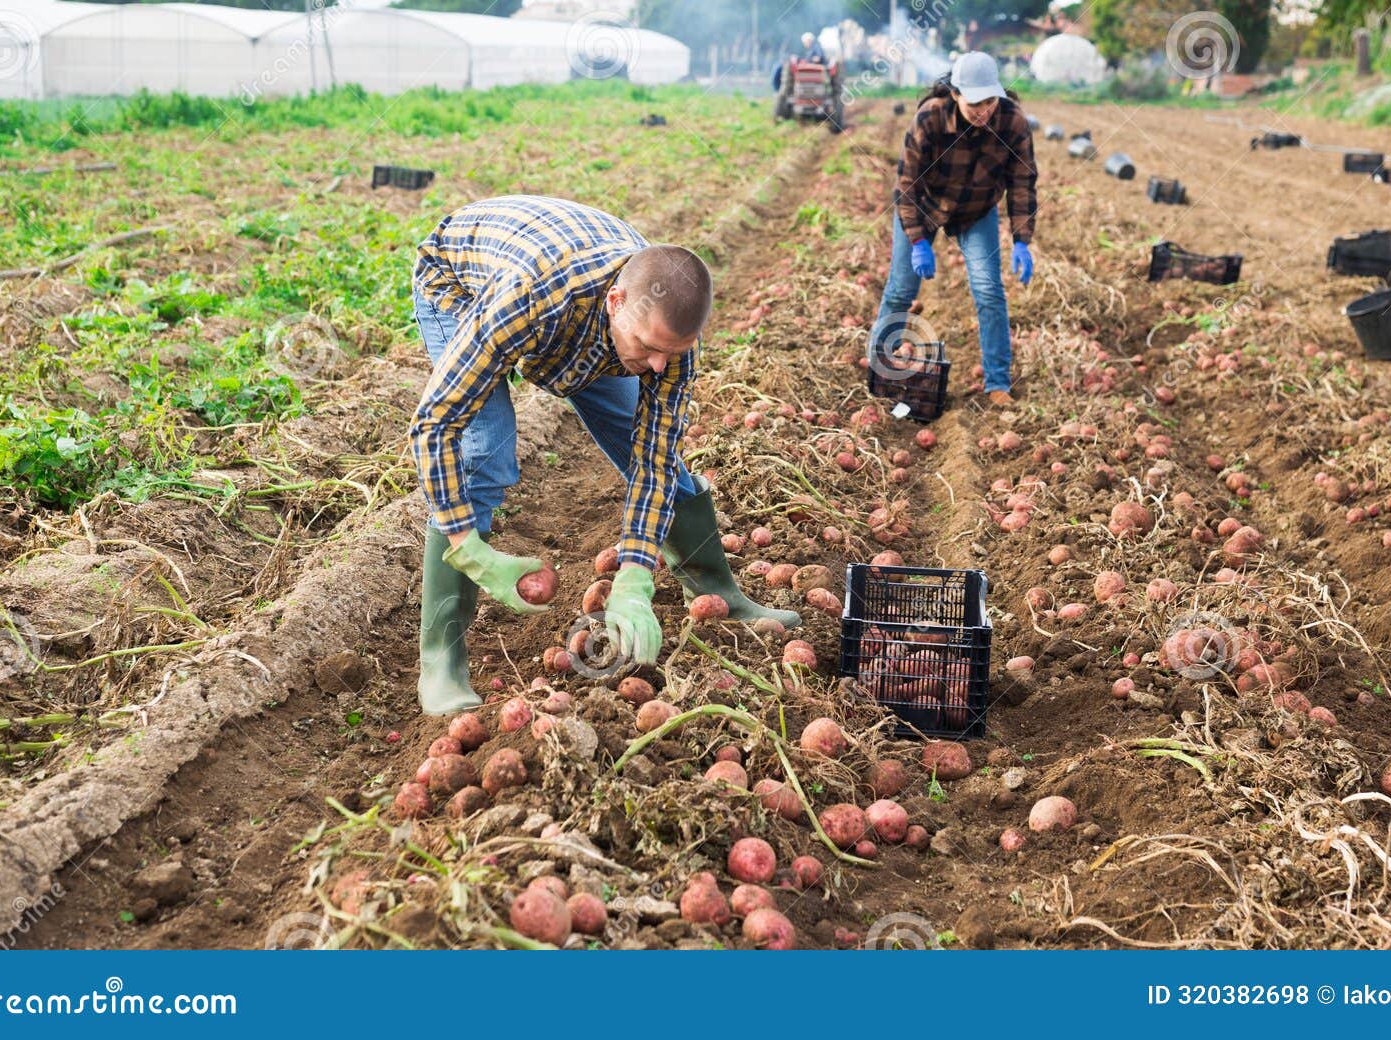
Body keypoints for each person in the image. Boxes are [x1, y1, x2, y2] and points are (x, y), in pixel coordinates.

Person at [408, 195, 799, 716]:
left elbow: (655, 457)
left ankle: (716, 592)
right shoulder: (528, 298)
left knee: (647, 448)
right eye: (648, 347)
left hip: (582, 323)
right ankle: (442, 659)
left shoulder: (665, 344)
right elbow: (435, 424)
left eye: (672, 354)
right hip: (460, 285)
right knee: (485, 454)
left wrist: (636, 570)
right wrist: (467, 547)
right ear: (617, 302)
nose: (658, 367)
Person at [868, 51, 1038, 407]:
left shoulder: (1013, 122)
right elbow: (906, 184)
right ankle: (878, 371)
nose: (984, 110)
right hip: (926, 204)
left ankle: (997, 383)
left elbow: (1022, 182)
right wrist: (917, 239)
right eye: (976, 102)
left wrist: (1022, 240)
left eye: (990, 100)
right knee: (901, 289)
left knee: (989, 291)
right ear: (956, 93)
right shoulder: (930, 118)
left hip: (976, 212)